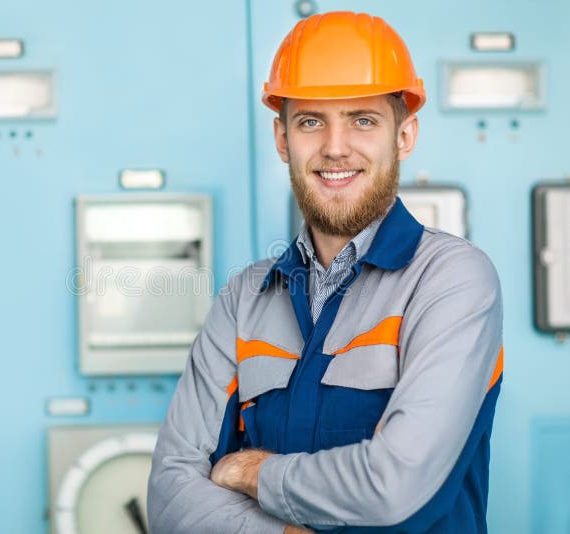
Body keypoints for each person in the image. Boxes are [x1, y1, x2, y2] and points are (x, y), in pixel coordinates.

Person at [148, 10, 503, 534]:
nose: (335, 147)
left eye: (363, 120)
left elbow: (397, 489)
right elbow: (169, 496)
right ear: (282, 139)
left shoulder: (452, 280)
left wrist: (256, 472)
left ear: (404, 136)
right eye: (311, 121)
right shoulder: (245, 298)